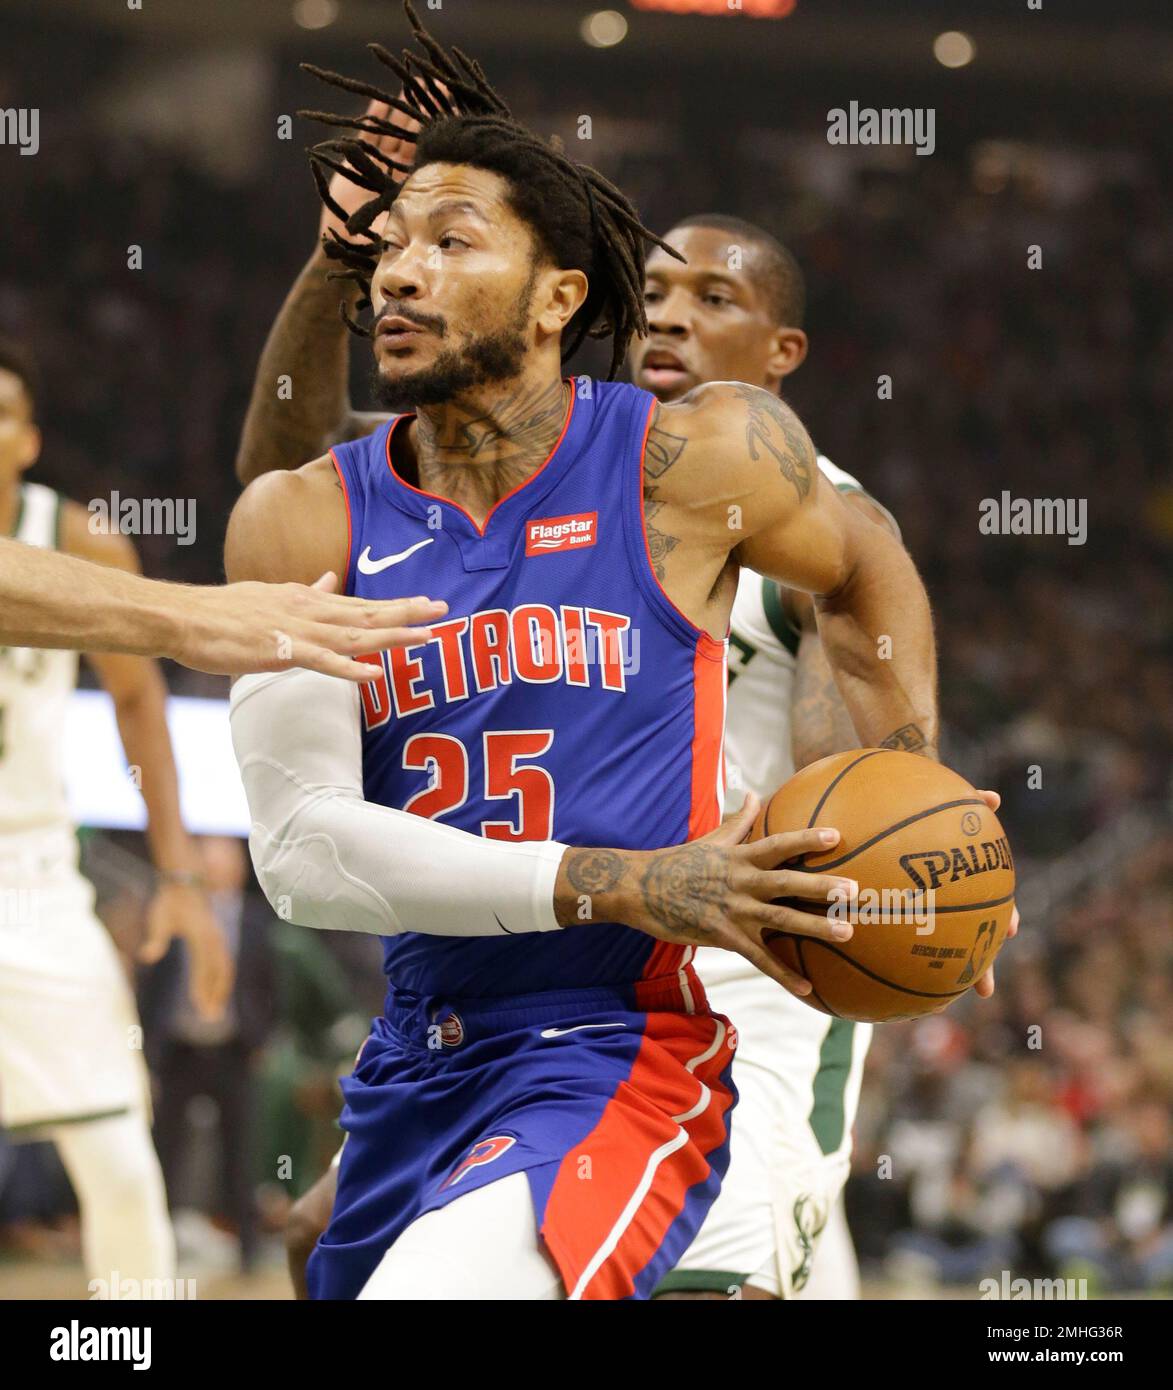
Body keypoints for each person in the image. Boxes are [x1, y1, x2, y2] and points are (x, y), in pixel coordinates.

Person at [227, 3, 937, 1301]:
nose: (400, 271)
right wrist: (334, 251)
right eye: (390, 247)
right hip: (429, 1039)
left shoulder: (704, 466)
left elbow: (866, 554)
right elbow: (300, 848)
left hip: (671, 1001)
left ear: (559, 297)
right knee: (323, 1257)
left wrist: (912, 790)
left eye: (450, 242)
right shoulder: (306, 512)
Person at [0, 343, 231, 1294]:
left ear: (28, 440)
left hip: (30, 876)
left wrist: (178, 878)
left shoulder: (80, 540)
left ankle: (118, 1344)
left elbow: (141, 705)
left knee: (119, 1159)